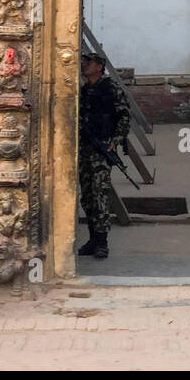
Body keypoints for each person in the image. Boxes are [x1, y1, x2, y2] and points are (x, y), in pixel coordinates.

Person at [77, 52, 131, 259]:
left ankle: (102, 242)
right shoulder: (83, 90)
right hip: (85, 148)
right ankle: (92, 239)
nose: (84, 65)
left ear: (99, 66)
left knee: (100, 193)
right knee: (88, 196)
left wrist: (115, 141)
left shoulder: (111, 89)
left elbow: (124, 116)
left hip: (102, 148)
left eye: (88, 62)